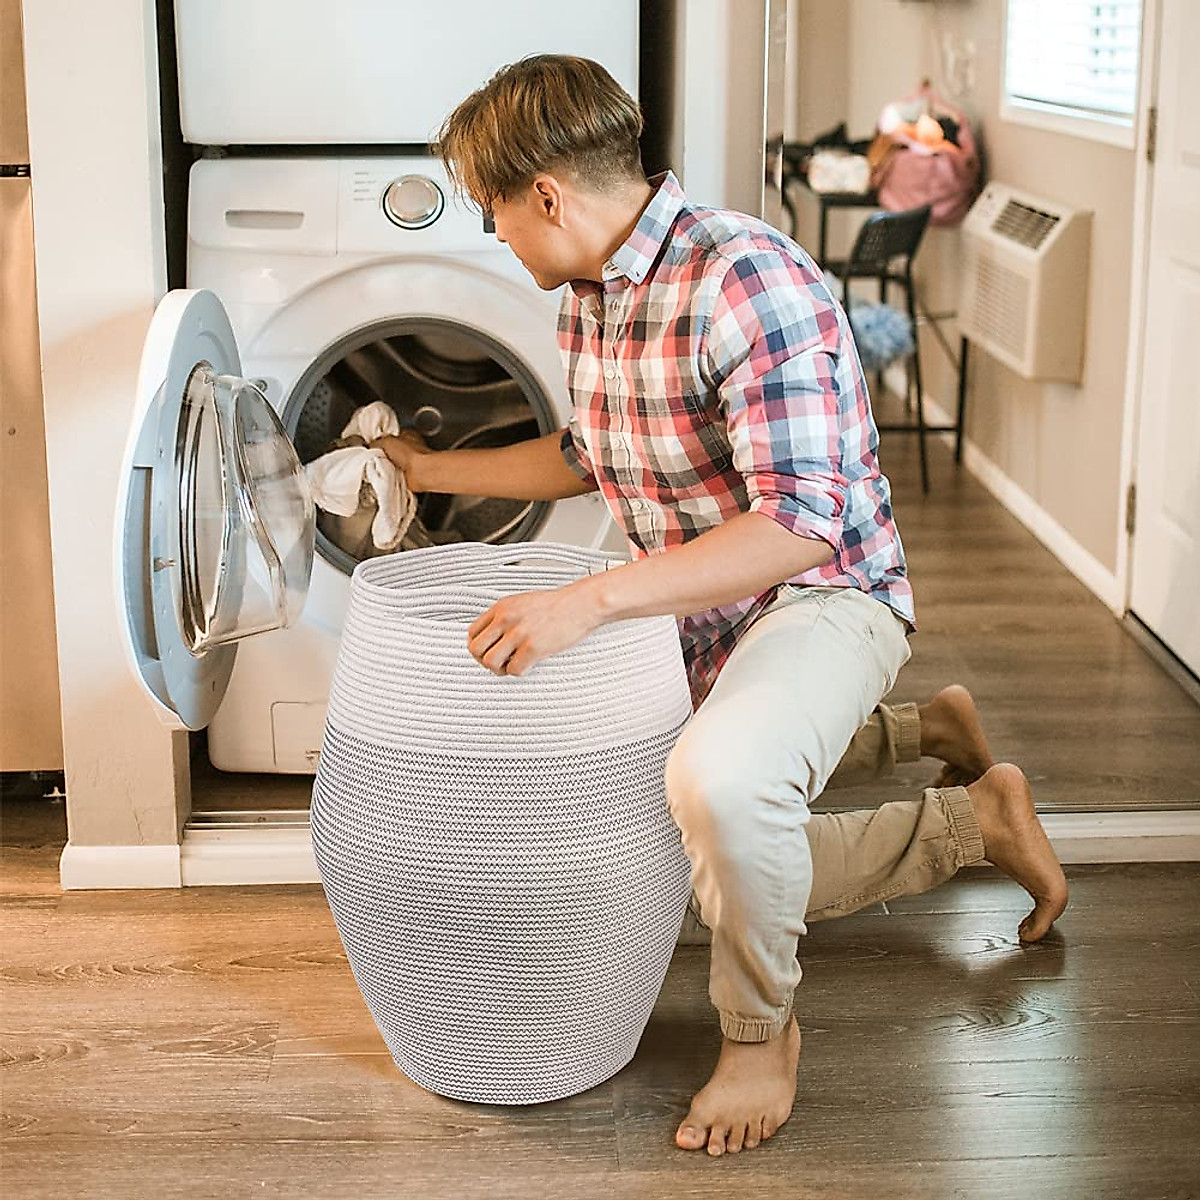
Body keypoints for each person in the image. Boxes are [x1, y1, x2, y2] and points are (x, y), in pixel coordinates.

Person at [373, 54, 1069, 1159]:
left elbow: (799, 525)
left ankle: (781, 1015)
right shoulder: (593, 297)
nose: (494, 234)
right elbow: (585, 453)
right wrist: (431, 469)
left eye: (492, 208)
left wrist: (591, 601)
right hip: (708, 613)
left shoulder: (746, 277)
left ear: (545, 194)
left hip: (822, 595)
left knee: (718, 796)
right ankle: (929, 733)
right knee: (664, 839)